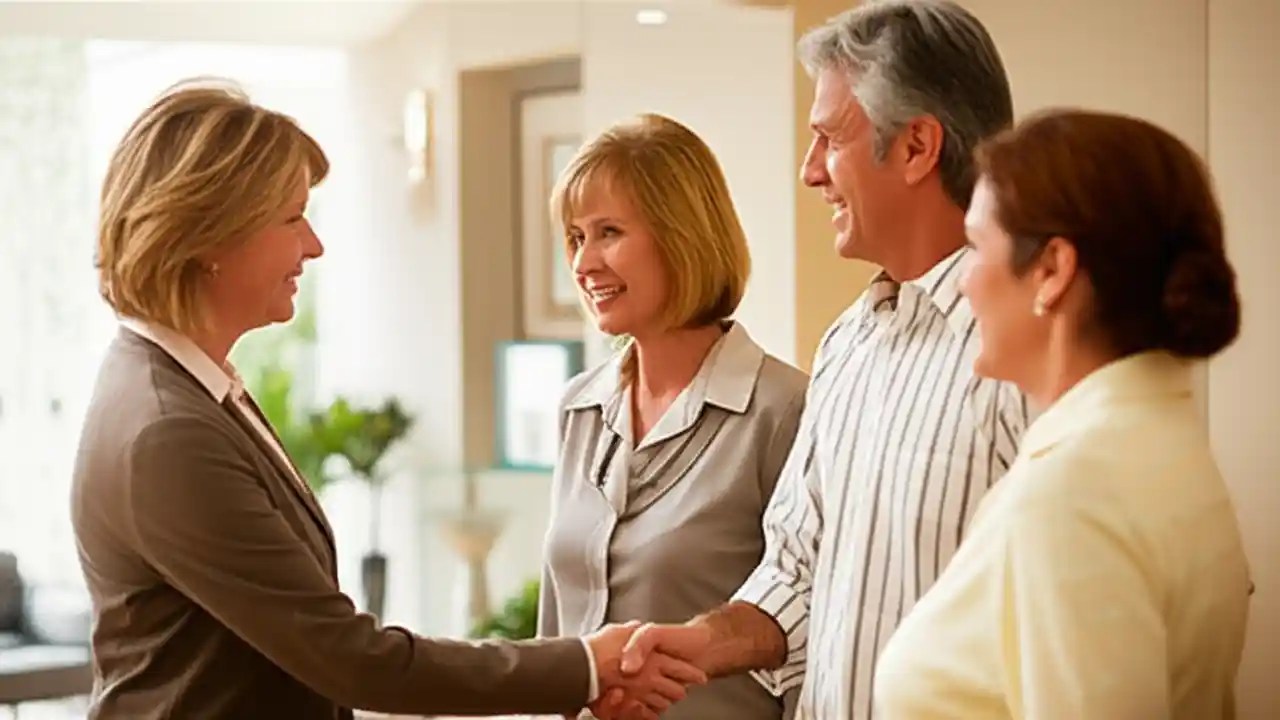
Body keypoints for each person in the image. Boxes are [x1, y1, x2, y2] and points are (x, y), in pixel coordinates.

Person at [70, 80, 704, 720]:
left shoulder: (184, 390)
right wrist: (585, 666)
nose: (311, 246)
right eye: (292, 218)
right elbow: (351, 660)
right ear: (211, 233)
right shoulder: (168, 429)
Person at [598, 3, 1030, 719]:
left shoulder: (1028, 350)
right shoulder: (848, 343)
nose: (809, 173)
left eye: (829, 139)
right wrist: (692, 646)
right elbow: (795, 572)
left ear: (918, 146)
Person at [874, 108, 1252, 718]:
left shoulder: (1074, 490)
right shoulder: (1155, 445)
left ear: (1051, 269)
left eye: (975, 247)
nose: (965, 282)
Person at [537, 113, 809, 720]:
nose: (584, 264)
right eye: (576, 238)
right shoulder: (579, 409)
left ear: (681, 234)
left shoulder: (783, 411)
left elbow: (812, 630)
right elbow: (555, 630)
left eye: (608, 232)